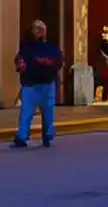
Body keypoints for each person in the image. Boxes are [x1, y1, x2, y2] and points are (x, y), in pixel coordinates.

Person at [13, 19, 63, 149]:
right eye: (36, 28)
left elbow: (59, 62)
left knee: (48, 113)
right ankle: (21, 137)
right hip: (30, 85)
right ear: (32, 31)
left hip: (47, 84)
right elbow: (19, 61)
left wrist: (46, 62)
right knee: (26, 112)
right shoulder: (26, 47)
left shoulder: (52, 48)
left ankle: (48, 136)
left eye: (41, 28)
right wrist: (20, 64)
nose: (39, 31)